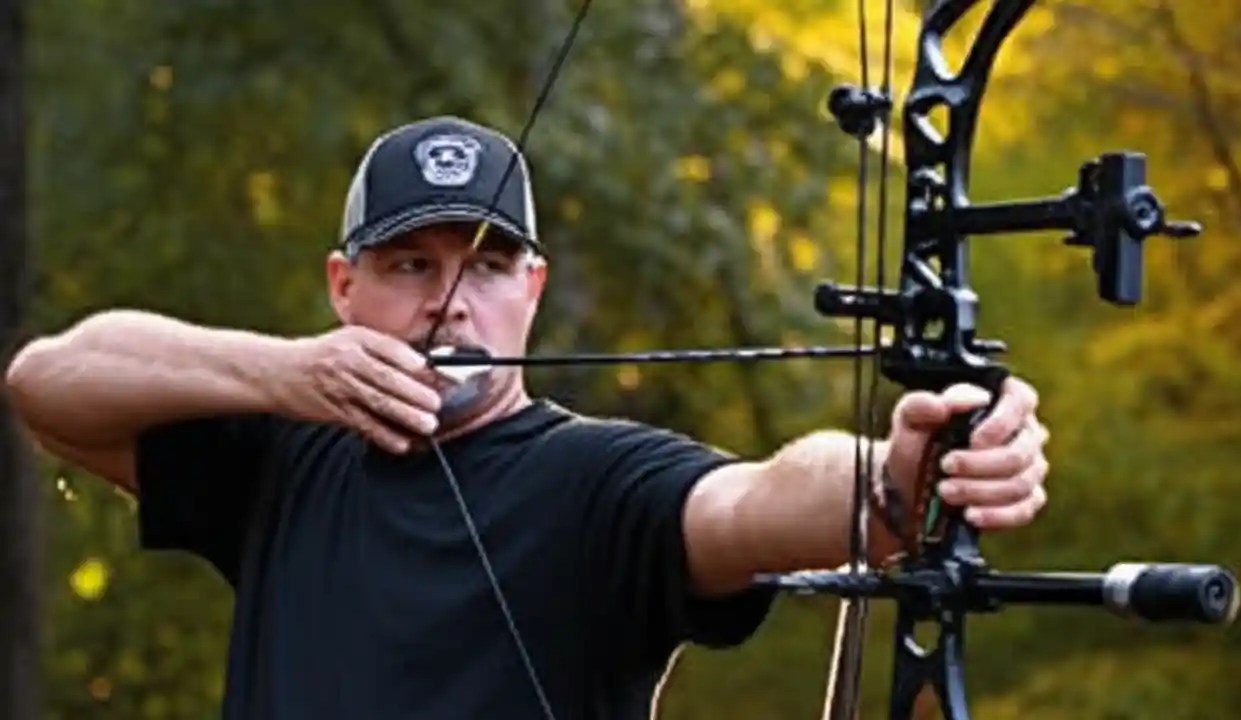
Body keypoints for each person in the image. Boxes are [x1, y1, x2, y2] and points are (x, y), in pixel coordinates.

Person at [4, 116, 1049, 719]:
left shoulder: (595, 482)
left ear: (533, 289)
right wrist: (283, 373)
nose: (450, 300)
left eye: (488, 265)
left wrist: (896, 476)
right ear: (342, 287)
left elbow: (754, 502)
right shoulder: (285, 457)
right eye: (410, 264)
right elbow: (47, 381)